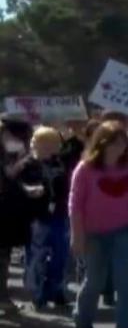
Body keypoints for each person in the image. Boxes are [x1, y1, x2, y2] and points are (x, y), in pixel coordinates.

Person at [70, 121, 128, 328]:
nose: (118, 149)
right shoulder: (85, 169)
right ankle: (83, 320)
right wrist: (77, 235)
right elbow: (74, 204)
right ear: (101, 144)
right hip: (94, 233)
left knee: (127, 283)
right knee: (95, 279)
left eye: (122, 144)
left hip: (124, 231)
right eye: (113, 144)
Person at [20, 127, 73, 310]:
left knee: (61, 255)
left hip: (59, 215)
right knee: (36, 257)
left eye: (56, 143)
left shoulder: (59, 163)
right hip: (37, 218)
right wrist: (29, 190)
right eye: (50, 143)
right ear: (38, 143)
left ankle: (56, 290)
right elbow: (16, 186)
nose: (54, 147)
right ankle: (37, 294)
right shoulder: (27, 164)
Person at [1, 116, 37, 313]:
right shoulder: (10, 154)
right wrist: (22, 161)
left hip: (9, 212)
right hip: (4, 213)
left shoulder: (11, 153)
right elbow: (8, 175)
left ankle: (3, 297)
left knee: (4, 257)